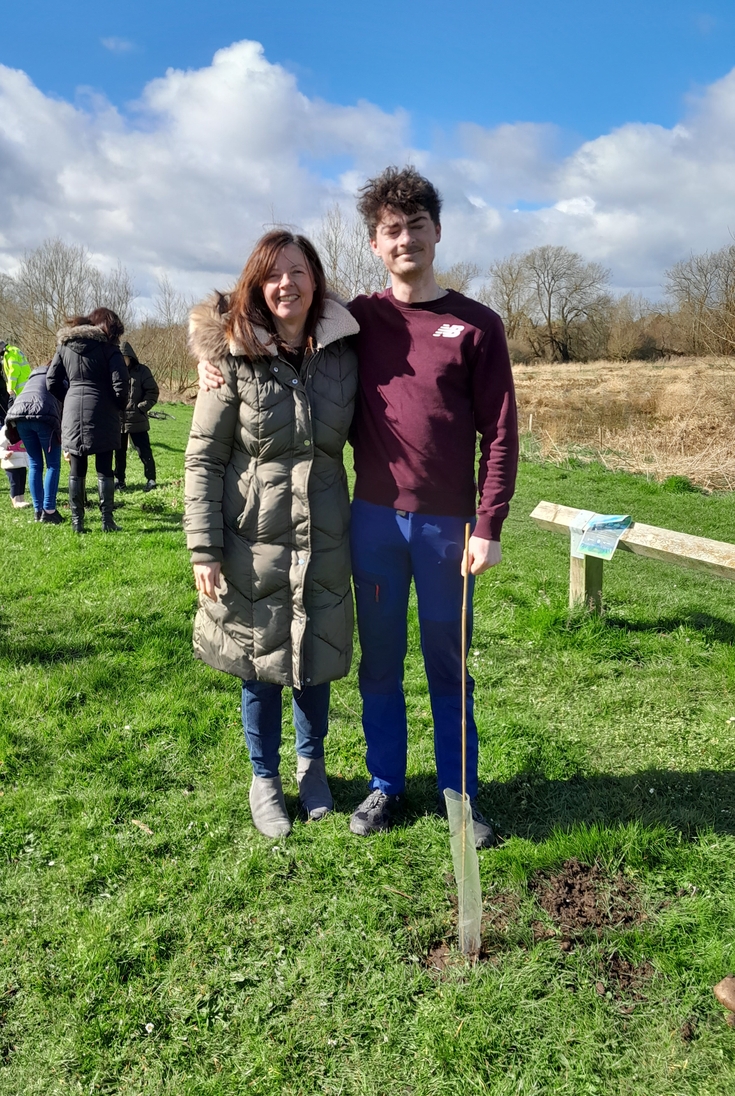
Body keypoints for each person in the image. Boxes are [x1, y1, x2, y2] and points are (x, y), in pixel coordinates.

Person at [198, 168, 518, 849]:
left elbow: (501, 432)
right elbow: (255, 312)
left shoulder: (477, 325)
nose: (405, 240)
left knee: (444, 664)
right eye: (391, 231)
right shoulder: (358, 320)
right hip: (369, 521)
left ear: (437, 231)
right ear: (374, 244)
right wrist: (208, 354)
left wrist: (487, 525)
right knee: (378, 666)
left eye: (416, 227)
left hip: (447, 529)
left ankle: (459, 793)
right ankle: (385, 784)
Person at [184, 230, 359, 839]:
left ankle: (312, 767)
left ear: (316, 279)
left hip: (325, 534)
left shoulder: (344, 351)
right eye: (273, 274)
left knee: (314, 651)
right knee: (257, 660)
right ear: (257, 285)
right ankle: (264, 777)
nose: (287, 284)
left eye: (298, 271)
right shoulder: (230, 358)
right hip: (249, 539)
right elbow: (203, 458)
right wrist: (203, 548)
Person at [46, 308, 129, 533]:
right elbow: (121, 384)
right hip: (103, 410)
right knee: (104, 467)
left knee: (77, 467)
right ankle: (107, 521)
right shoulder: (109, 349)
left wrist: (70, 398)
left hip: (73, 411)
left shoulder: (64, 346)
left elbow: (51, 381)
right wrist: (117, 406)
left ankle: (77, 523)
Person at [5, 361, 63, 522]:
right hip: (44, 417)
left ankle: (38, 511)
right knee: (53, 464)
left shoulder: (33, 375)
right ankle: (49, 511)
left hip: (19, 417)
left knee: (35, 464)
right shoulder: (59, 377)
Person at [114, 341, 160, 491]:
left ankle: (151, 480)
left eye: (124, 358)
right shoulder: (114, 371)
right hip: (118, 420)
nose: (122, 361)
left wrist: (142, 407)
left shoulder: (142, 371)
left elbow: (152, 392)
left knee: (144, 451)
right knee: (119, 454)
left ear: (130, 357)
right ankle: (119, 481)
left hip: (137, 419)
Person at [1, 339, 31, 507]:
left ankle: (19, 498)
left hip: (18, 393)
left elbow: (13, 371)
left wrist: (10, 387)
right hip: (25, 392)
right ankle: (17, 499)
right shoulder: (16, 349)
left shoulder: (10, 354)